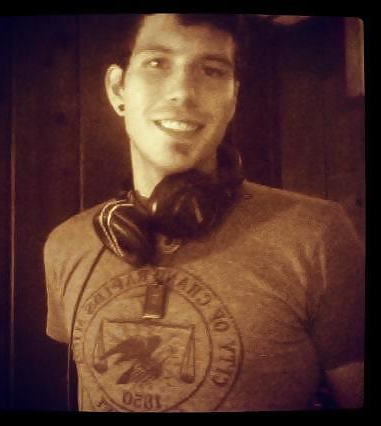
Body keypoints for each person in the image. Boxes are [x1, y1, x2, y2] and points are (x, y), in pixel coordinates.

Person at [44, 14, 365, 412]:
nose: (182, 92)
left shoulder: (318, 234)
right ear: (117, 89)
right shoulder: (66, 245)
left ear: (233, 99)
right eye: (157, 62)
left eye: (212, 70)